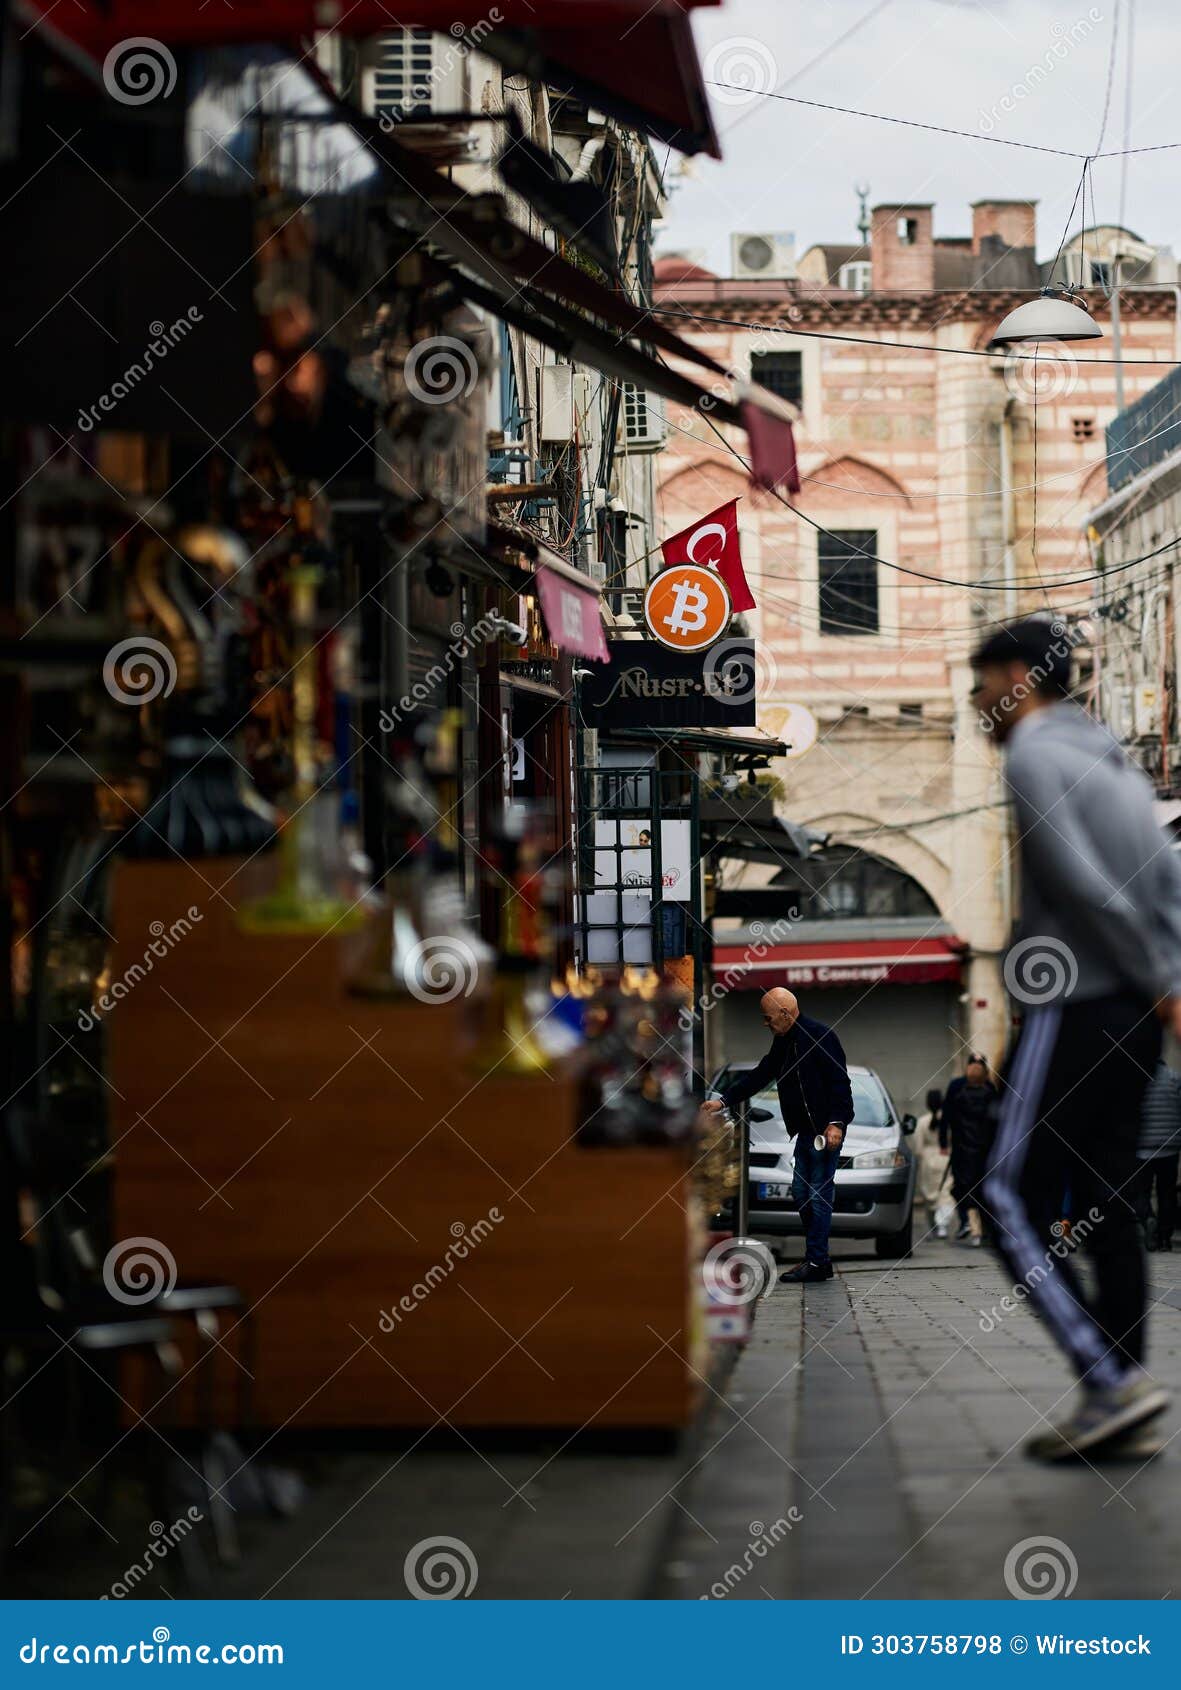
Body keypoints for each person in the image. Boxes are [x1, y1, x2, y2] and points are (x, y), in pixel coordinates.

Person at [973, 617, 1181, 1461]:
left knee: (1003, 1194)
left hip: (1078, 1000)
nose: (978, 700)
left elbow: (1084, 884)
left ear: (1019, 675)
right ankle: (1118, 1398)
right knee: (1104, 1200)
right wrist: (1164, 977)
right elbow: (1161, 877)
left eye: (983, 682)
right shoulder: (1105, 754)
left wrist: (1159, 978)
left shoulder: (1031, 755)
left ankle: (1107, 1378)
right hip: (1131, 1007)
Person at [704, 988, 853, 1284]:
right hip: (805, 1133)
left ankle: (817, 1260)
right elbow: (761, 1074)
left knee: (818, 1196)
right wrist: (723, 1101)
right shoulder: (783, 1041)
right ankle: (818, 1258)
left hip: (825, 1132)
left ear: (785, 1014)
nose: (765, 1023)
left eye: (768, 1018)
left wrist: (836, 1123)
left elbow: (840, 1084)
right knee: (800, 1193)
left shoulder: (821, 1037)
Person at [939, 1056, 998, 1247]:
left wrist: (944, 1140)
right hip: (984, 1150)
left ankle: (973, 1226)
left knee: (964, 1187)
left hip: (964, 1149)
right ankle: (978, 1226)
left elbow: (946, 1116)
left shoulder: (961, 1092)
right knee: (979, 1188)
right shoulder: (990, 1092)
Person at [1136, 1061, 1181, 1252]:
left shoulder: (1136, 1078)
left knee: (1140, 1191)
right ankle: (1165, 1238)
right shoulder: (1174, 1078)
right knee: (1167, 1193)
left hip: (1142, 1148)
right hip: (1170, 1147)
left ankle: (1148, 1219)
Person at [914, 1087, 952, 1238]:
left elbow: (918, 1147)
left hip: (927, 1161)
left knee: (929, 1195)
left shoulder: (921, 1122)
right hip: (946, 1158)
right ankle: (942, 1225)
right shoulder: (949, 1121)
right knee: (946, 1193)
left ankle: (934, 1226)